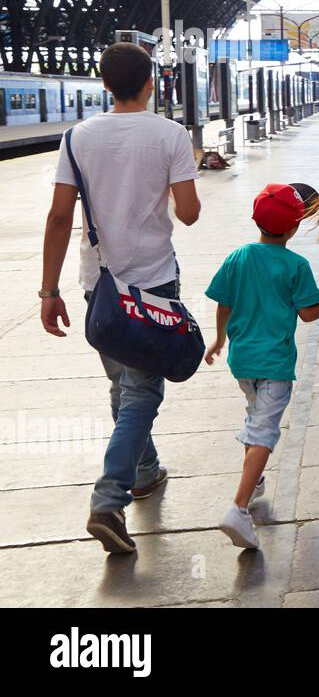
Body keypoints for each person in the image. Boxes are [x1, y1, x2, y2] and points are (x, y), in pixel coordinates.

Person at [40, 42, 202, 554]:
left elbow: (60, 217)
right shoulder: (171, 134)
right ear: (151, 81)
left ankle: (146, 471)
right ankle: (108, 500)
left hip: (100, 289)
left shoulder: (76, 137)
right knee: (142, 394)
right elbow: (191, 213)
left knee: (122, 389)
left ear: (104, 84)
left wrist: (49, 290)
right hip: (153, 285)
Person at [203, 183, 319, 550]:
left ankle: (253, 484)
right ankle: (237, 508)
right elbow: (308, 313)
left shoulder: (238, 256)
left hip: (242, 361)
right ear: (294, 227)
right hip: (276, 365)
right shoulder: (295, 265)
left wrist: (219, 339)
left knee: (255, 421)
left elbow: (223, 303)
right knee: (264, 432)